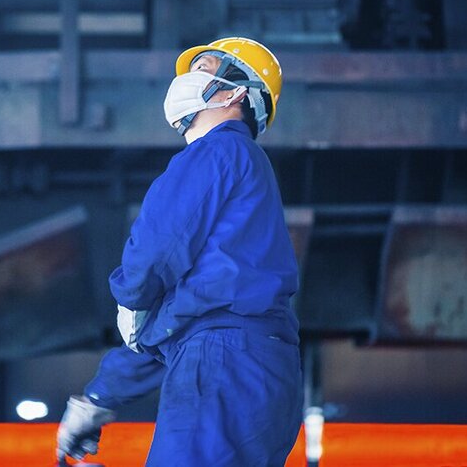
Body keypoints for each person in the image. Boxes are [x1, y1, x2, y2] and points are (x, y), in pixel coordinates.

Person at [56, 37, 303, 466]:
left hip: (226, 366)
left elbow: (160, 240)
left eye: (203, 68)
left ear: (234, 93)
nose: (186, 79)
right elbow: (176, 330)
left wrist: (132, 297)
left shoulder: (219, 150)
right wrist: (97, 399)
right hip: (259, 373)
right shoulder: (246, 179)